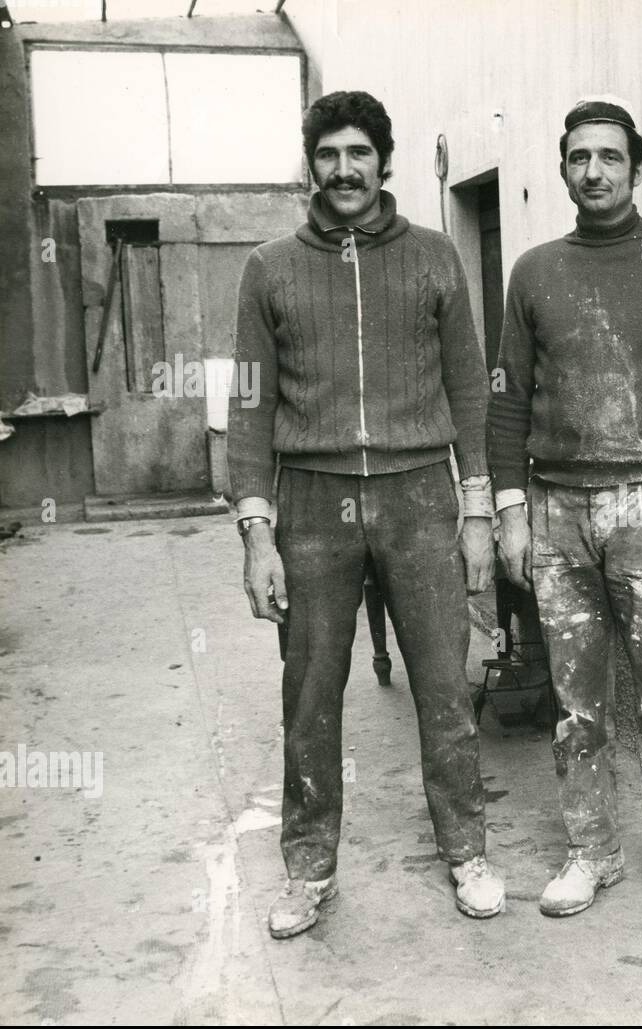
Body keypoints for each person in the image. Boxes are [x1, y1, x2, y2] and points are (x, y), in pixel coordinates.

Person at [228, 90, 505, 939]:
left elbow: (468, 387)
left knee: (444, 685)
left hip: (419, 493)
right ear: (308, 165)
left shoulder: (432, 258)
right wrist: (257, 533)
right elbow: (247, 404)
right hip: (310, 500)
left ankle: (467, 850)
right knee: (309, 692)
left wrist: (478, 511)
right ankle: (309, 869)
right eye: (327, 154)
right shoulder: (268, 268)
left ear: (384, 162)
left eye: (359, 153)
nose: (344, 169)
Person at [488, 97, 642, 928]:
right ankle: (590, 852)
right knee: (575, 703)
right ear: (562, 168)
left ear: (638, 167)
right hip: (557, 513)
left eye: (610, 157)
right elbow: (505, 407)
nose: (593, 171)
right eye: (578, 158)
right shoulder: (532, 271)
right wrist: (512, 513)